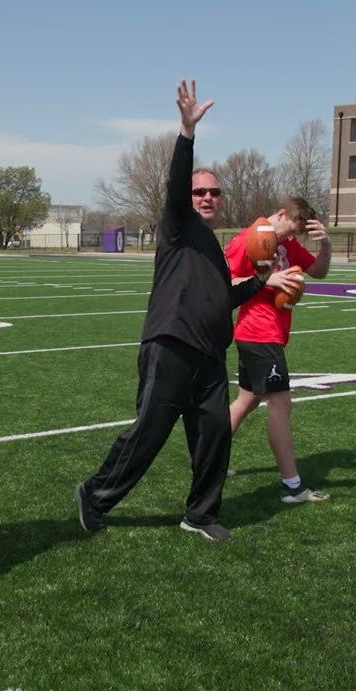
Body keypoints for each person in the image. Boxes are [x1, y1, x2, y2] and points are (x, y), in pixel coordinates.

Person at [75, 80, 302, 541]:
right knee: (149, 434)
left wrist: (262, 282)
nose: (206, 198)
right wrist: (186, 132)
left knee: (215, 435)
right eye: (200, 192)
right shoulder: (177, 227)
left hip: (209, 357)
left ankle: (200, 513)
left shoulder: (215, 248)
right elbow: (177, 182)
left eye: (214, 193)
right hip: (170, 346)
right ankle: (95, 494)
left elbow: (223, 298)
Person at [225, 198, 333, 504]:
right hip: (259, 334)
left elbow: (319, 272)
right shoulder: (248, 239)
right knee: (281, 405)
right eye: (292, 230)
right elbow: (220, 282)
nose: (292, 239)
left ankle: (210, 462)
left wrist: (325, 244)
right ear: (281, 214)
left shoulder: (284, 244)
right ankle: (292, 485)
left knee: (245, 401)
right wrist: (265, 279)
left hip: (267, 333)